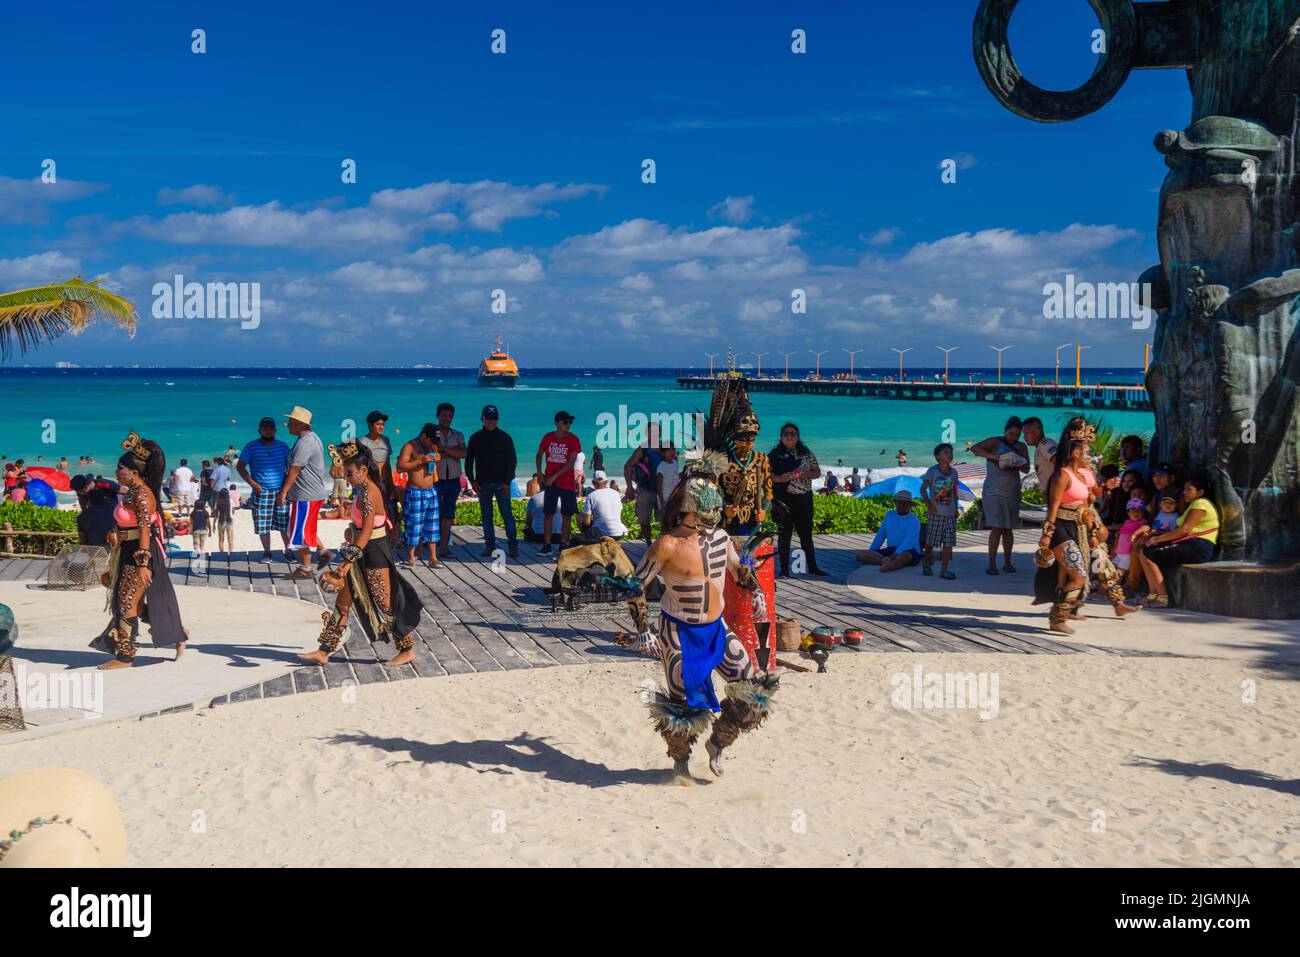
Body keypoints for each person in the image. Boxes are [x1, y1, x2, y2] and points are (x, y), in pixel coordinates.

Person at [629, 451, 780, 782]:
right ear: (691, 508)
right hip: (678, 630)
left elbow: (738, 568)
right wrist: (643, 631)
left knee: (751, 691)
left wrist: (753, 591)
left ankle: (717, 743)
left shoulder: (721, 538)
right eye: (709, 511)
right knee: (681, 702)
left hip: (716, 628)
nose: (715, 517)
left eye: (717, 510)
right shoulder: (667, 544)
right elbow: (634, 586)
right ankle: (680, 760)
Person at [299, 443, 424, 668]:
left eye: (349, 473)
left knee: (385, 604)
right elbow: (361, 528)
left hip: (374, 553)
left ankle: (406, 650)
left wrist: (347, 561)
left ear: (363, 470)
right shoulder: (364, 490)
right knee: (342, 603)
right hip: (359, 551)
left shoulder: (369, 494)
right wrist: (351, 532)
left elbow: (367, 532)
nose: (347, 478)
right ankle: (324, 651)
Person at [89, 433, 188, 669]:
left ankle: (125, 657)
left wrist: (143, 564)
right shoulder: (130, 492)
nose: (116, 472)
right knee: (131, 603)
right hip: (125, 551)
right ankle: (176, 632)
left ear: (133, 471)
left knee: (126, 604)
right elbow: (128, 524)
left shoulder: (142, 495)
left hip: (139, 553)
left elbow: (144, 529)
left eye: (119, 468)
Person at [1033, 418, 1138, 632]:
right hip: (1061, 529)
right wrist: (1046, 535)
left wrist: (1092, 526)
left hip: (1079, 526)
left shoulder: (1082, 474)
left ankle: (1105, 604)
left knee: (1090, 567)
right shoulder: (1062, 474)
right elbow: (1052, 507)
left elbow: (1087, 502)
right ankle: (1059, 617)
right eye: (1086, 450)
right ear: (1076, 453)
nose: (1090, 454)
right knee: (1078, 574)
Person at [1134, 476, 1219, 608]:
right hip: (1191, 544)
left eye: (1189, 489)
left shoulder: (1201, 503)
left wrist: (1157, 539)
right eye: (1184, 489)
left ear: (1200, 492)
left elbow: (1185, 530)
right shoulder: (1195, 504)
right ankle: (1152, 595)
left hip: (1197, 547)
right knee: (1143, 553)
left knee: (1148, 554)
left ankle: (1163, 598)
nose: (1184, 492)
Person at [277, 406, 332, 579]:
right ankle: (323, 552)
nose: (288, 425)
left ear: (300, 424)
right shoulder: (310, 438)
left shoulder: (306, 442)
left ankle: (306, 567)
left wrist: (284, 491)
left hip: (306, 494)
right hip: (310, 493)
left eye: (291, 422)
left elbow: (296, 467)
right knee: (305, 527)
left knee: (300, 531)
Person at [971, 416, 1028, 575]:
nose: (1013, 437)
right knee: (996, 527)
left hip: (1012, 488)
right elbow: (975, 448)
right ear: (1005, 431)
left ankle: (1008, 562)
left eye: (1017, 434)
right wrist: (995, 457)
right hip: (993, 489)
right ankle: (992, 563)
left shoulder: (1021, 446)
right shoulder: (995, 442)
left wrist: (1016, 461)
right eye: (1011, 434)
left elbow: (1026, 468)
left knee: (1008, 527)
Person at [768, 422, 827, 577]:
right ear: (781, 437)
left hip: (804, 498)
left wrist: (804, 475)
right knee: (784, 534)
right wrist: (780, 479)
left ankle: (813, 567)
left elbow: (817, 472)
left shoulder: (806, 453)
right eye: (786, 434)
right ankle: (784, 570)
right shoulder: (774, 455)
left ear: (798, 436)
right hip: (783, 499)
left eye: (792, 433)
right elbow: (766, 476)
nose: (789, 436)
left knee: (806, 534)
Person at [465, 404, 518, 558]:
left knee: (507, 515)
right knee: (486, 517)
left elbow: (512, 461)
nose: (490, 421)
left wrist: (508, 482)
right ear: (482, 419)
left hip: (502, 484)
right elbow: (469, 461)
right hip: (483, 484)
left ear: (498, 419)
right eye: (488, 418)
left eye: (493, 419)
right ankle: (490, 546)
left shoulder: (505, 437)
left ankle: (513, 546)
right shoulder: (475, 437)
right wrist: (472, 480)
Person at [237, 417, 291, 562]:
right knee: (262, 524)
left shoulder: (283, 446)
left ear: (275, 430)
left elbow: (290, 468)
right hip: (261, 492)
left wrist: (286, 488)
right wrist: (253, 484)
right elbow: (240, 466)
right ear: (259, 430)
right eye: (265, 428)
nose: (268, 431)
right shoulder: (251, 446)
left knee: (284, 524)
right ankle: (267, 553)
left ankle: (289, 551)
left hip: (281, 492)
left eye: (270, 428)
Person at [396, 423, 442, 568]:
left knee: (432, 525)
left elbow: (434, 466)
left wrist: (437, 458)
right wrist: (420, 461)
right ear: (424, 436)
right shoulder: (409, 446)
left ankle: (433, 558)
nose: (433, 444)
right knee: (413, 525)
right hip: (415, 490)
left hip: (431, 489)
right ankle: (411, 558)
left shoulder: (432, 446)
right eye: (431, 440)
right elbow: (400, 467)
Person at [536, 411, 581, 553]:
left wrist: (553, 477)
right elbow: (539, 455)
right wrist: (539, 472)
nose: (568, 425)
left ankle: (563, 543)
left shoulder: (574, 439)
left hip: (566, 483)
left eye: (570, 422)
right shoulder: (548, 437)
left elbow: (570, 463)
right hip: (550, 483)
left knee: (566, 515)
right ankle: (547, 544)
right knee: (548, 513)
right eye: (565, 422)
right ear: (557, 423)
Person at [432, 403, 467, 559]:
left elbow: (464, 453)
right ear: (438, 416)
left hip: (453, 479)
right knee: (433, 513)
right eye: (444, 415)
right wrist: (453, 452)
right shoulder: (431, 433)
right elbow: (431, 452)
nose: (447, 418)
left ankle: (444, 548)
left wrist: (444, 450)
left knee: (448, 514)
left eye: (449, 416)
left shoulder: (458, 434)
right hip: (435, 479)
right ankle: (432, 546)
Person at [855, 490, 922, 571]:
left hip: (909, 550)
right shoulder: (889, 515)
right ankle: (885, 561)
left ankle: (890, 565)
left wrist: (895, 554)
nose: (902, 505)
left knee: (903, 557)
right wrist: (872, 551)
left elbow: (909, 541)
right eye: (899, 502)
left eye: (905, 503)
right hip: (891, 549)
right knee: (860, 554)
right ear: (895, 503)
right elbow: (881, 535)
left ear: (910, 505)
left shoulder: (914, 520)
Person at [921, 443, 959, 580]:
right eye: (946, 452)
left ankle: (944, 571)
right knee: (931, 542)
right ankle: (926, 562)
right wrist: (930, 506)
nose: (949, 455)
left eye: (950, 452)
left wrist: (956, 508)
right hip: (936, 513)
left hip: (949, 514)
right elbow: (922, 489)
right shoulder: (932, 471)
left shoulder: (954, 472)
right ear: (938, 456)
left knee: (948, 542)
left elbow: (954, 491)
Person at [624, 425, 665, 544]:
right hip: (645, 490)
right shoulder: (643, 449)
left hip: (662, 491)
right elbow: (627, 466)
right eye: (651, 431)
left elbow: (674, 464)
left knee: (664, 520)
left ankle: (661, 544)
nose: (655, 433)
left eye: (657, 431)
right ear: (647, 433)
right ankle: (648, 544)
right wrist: (630, 487)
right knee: (644, 520)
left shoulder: (665, 447)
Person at [359, 411, 396, 540]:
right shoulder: (363, 442)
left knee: (390, 511)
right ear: (370, 425)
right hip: (373, 484)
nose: (381, 427)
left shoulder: (386, 440)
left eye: (383, 424)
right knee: (374, 513)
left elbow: (388, 464)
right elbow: (361, 468)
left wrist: (392, 486)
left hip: (385, 483)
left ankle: (391, 540)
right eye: (378, 424)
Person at [576, 471, 627, 541]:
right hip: (618, 533)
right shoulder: (616, 493)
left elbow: (586, 522)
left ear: (593, 483)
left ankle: (589, 540)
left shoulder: (591, 496)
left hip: (601, 534)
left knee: (579, 516)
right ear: (606, 482)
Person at [1021, 417, 1055, 492]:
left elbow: (1061, 463)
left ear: (1037, 432)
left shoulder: (1045, 445)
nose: (1024, 436)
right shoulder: (1039, 448)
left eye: (1026, 433)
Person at [1113, 498, 1146, 573]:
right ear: (1128, 513)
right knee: (1111, 568)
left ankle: (1115, 583)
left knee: (1120, 571)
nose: (1136, 513)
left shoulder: (1142, 522)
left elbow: (1146, 527)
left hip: (1128, 554)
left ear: (1143, 513)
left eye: (1139, 511)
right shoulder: (1127, 522)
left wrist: (1135, 533)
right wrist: (1119, 532)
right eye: (1133, 510)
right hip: (1119, 552)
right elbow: (1124, 530)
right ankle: (1108, 583)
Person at [656, 443, 681, 523]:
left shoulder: (675, 462)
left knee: (674, 521)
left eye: (673, 449)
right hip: (665, 498)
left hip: (674, 496)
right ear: (662, 453)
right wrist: (662, 503)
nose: (672, 452)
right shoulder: (661, 467)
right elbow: (659, 486)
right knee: (666, 522)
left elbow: (675, 478)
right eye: (668, 450)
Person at [213, 482, 235, 556]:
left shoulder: (217, 502)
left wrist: (213, 524)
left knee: (221, 539)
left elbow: (216, 514)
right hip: (229, 520)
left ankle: (222, 554)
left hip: (221, 521)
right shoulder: (231, 501)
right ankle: (230, 553)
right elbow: (233, 511)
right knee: (230, 538)